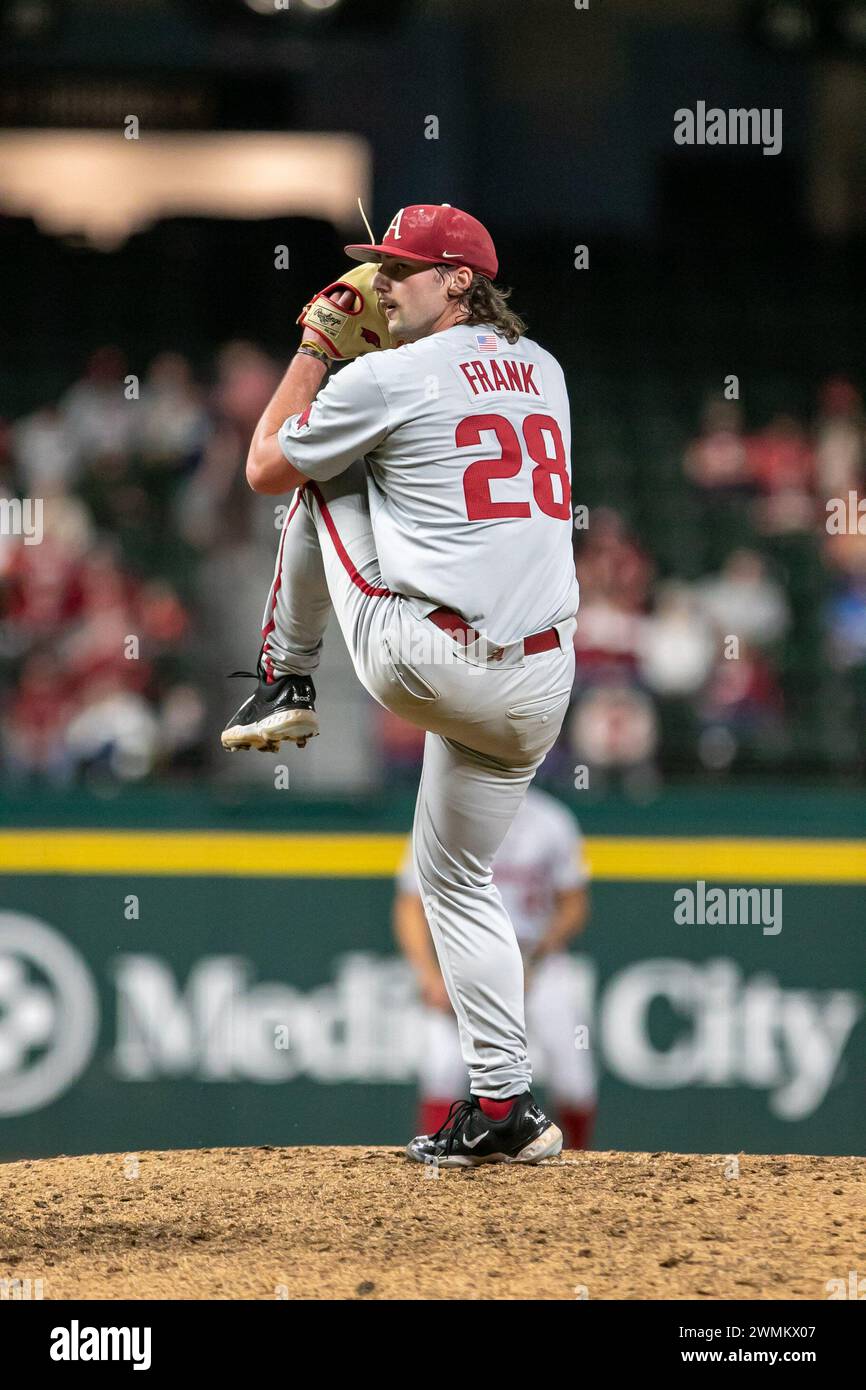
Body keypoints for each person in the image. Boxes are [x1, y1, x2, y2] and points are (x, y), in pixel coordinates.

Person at [223, 204, 580, 1166]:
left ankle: (287, 679)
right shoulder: (545, 369)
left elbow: (263, 461)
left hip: (428, 661)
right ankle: (507, 1108)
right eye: (378, 267)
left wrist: (314, 346)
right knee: (454, 880)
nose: (381, 285)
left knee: (316, 474)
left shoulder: (388, 373)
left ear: (458, 281)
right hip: (544, 685)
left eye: (401, 269)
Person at [394, 786, 596, 1150]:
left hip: (537, 961)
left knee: (573, 1071)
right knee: (441, 1067)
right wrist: (428, 976)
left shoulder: (551, 820)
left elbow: (574, 904)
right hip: (463, 962)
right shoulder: (443, 814)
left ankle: (577, 1167)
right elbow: (410, 904)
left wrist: (534, 960)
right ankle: (440, 1164)